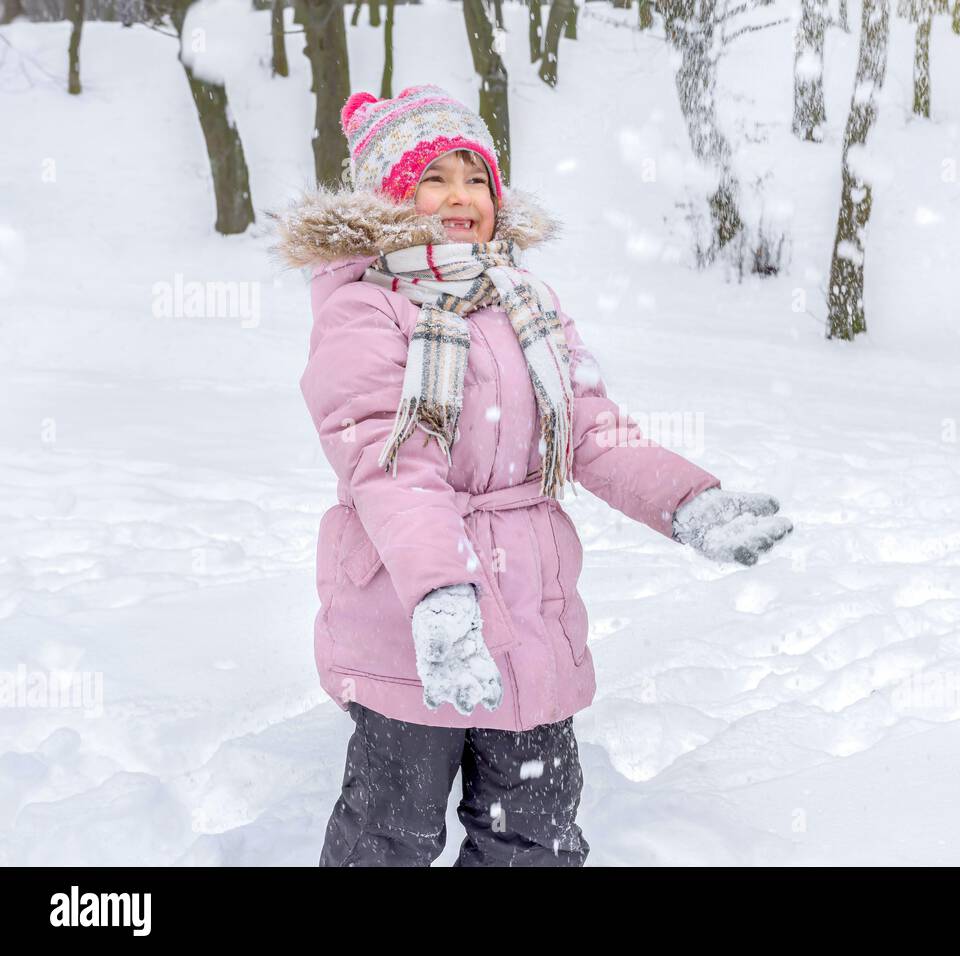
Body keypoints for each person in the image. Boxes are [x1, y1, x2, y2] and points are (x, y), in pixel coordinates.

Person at [266, 84, 793, 866]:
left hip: (531, 614)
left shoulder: (526, 302)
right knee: (392, 831)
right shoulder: (365, 310)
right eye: (434, 177)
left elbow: (590, 427)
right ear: (389, 197)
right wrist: (442, 596)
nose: (461, 197)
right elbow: (390, 464)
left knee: (535, 833)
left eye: (476, 178)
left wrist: (689, 503)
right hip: (408, 612)